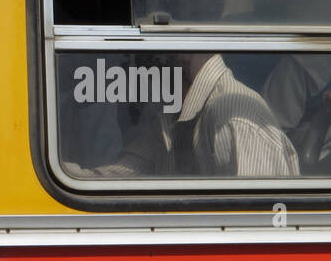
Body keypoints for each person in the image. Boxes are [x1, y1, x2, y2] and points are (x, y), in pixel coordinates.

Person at [83, 53, 298, 178]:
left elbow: (256, 235)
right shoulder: (172, 112)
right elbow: (122, 175)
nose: (134, 63)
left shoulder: (233, 120)